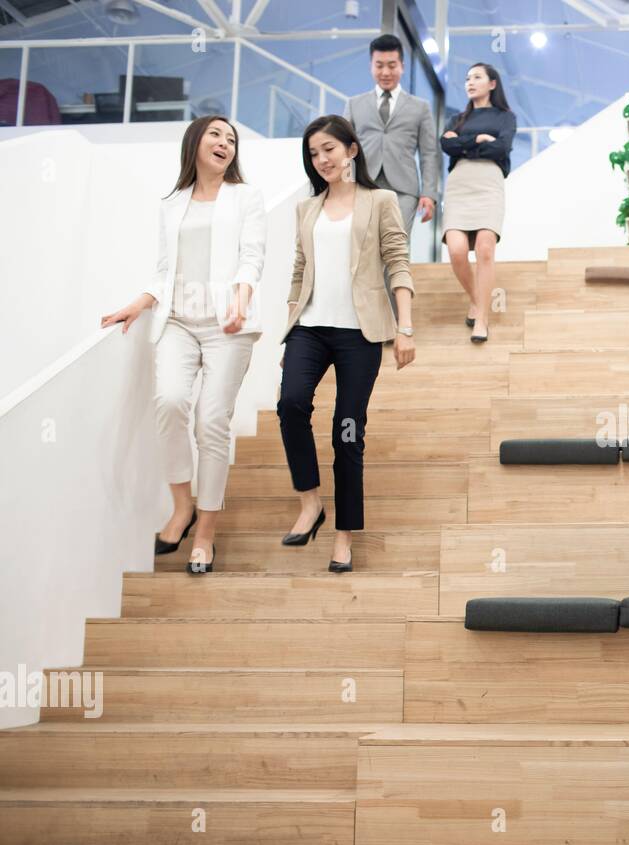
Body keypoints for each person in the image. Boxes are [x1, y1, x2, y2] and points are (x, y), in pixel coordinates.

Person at [100, 115, 266, 575]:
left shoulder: (246, 197)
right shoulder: (171, 204)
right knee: (170, 401)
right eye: (216, 134)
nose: (225, 142)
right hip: (177, 320)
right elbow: (162, 270)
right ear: (194, 142)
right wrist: (138, 304)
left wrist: (240, 299)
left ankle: (206, 533)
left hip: (228, 326)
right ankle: (181, 506)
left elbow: (253, 257)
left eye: (232, 138)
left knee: (211, 419)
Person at [277, 115, 416, 572]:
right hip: (310, 329)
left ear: (351, 150)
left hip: (360, 333)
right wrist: (290, 321)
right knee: (291, 404)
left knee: (347, 433)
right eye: (314, 154)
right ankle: (311, 501)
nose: (321, 160)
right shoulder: (306, 209)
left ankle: (343, 535)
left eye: (329, 150)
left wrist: (405, 326)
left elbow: (397, 260)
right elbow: (299, 271)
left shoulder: (380, 201)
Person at [439, 62, 516, 344]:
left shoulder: (505, 117)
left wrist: (463, 142)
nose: (470, 82)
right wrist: (479, 139)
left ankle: (481, 318)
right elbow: (446, 145)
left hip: (488, 183)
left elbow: (502, 147)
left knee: (485, 248)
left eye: (477, 77)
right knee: (457, 251)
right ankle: (476, 299)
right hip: (459, 184)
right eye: (468, 78)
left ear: (492, 83)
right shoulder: (457, 119)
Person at [343, 33, 438, 235]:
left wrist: (429, 193)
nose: (386, 72)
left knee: (396, 247)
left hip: (404, 190)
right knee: (366, 248)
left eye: (392, 65)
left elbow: (429, 154)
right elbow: (345, 152)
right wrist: (344, 186)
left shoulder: (420, 107)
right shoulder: (354, 104)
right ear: (371, 66)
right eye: (379, 65)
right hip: (364, 185)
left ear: (402, 66)